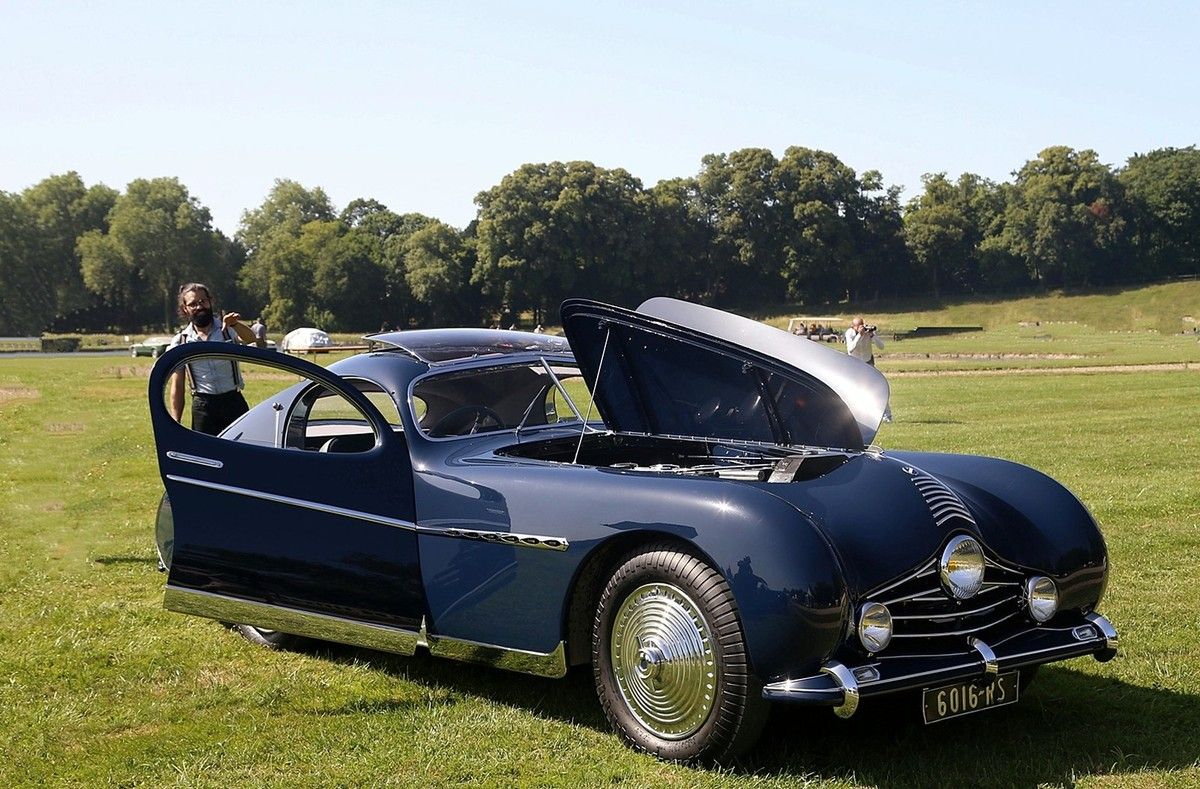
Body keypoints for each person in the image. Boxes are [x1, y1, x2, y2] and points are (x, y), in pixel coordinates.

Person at [167, 283, 258, 435]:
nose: (199, 307)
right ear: (185, 309)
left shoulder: (228, 328)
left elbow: (251, 339)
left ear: (211, 301)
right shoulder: (180, 341)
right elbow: (178, 384)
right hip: (203, 406)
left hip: (233, 402)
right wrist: (175, 421)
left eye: (203, 301)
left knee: (243, 452)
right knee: (207, 455)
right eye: (193, 304)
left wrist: (235, 324)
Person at [846, 316, 891, 421]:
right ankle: (858, 416)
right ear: (853, 327)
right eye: (858, 326)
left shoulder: (868, 332)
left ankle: (887, 415)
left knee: (876, 388)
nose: (861, 327)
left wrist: (872, 336)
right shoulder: (850, 333)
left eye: (862, 324)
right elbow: (851, 349)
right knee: (856, 390)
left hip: (868, 363)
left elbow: (881, 346)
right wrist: (859, 336)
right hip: (855, 365)